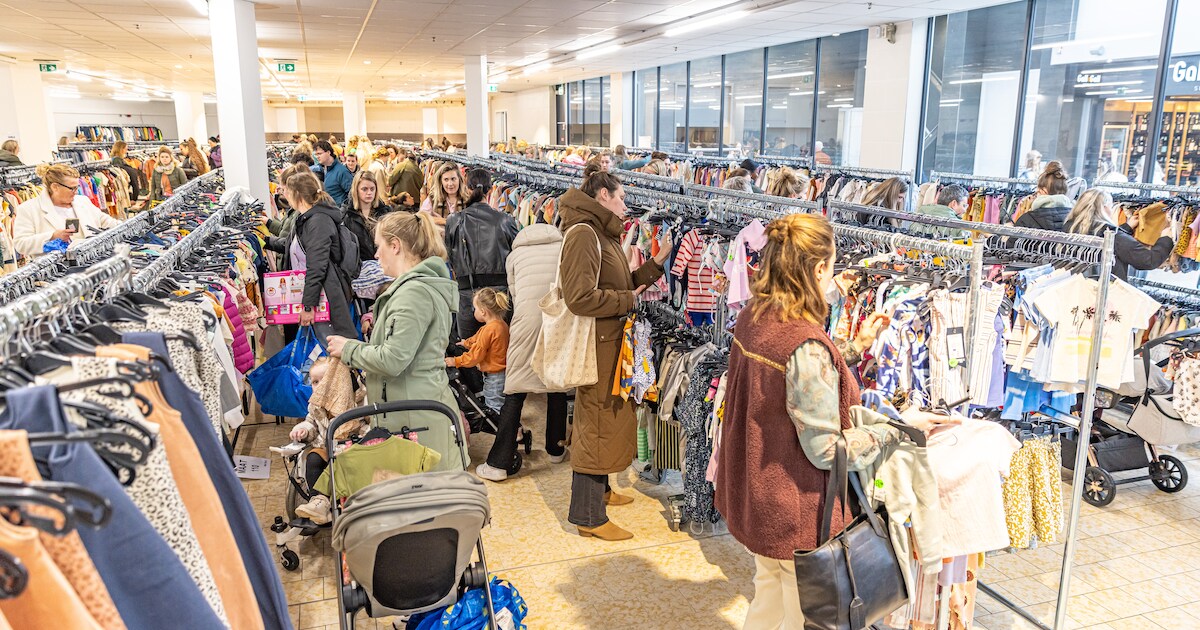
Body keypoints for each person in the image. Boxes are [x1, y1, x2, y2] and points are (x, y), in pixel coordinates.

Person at [715, 213, 957, 628]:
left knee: (769, 596)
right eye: (833, 265)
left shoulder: (755, 314)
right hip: (793, 504)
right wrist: (889, 431)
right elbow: (827, 449)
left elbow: (787, 384)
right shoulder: (803, 342)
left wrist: (849, 347)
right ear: (817, 268)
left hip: (755, 489)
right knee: (798, 611)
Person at [559, 164, 673, 541]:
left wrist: (655, 265)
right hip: (596, 347)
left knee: (606, 420)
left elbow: (620, 283)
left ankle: (602, 493)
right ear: (603, 197)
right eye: (621, 197)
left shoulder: (602, 233)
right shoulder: (583, 234)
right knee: (595, 422)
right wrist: (628, 300)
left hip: (610, 345)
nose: (626, 204)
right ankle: (588, 516)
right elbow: (579, 299)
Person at [326, 212, 464, 471]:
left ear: (396, 245)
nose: (376, 254)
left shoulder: (413, 293)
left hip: (417, 419)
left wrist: (350, 349)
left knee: (422, 502)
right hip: (414, 413)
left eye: (379, 246)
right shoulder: (413, 289)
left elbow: (394, 358)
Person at [480, 222, 572, 482]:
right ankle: (556, 449)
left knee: (515, 389)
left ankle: (498, 463)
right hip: (557, 318)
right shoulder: (563, 247)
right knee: (556, 384)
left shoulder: (515, 255)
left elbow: (515, 293)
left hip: (525, 321)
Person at [444, 168, 520, 340]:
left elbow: (450, 255)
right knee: (501, 351)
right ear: (491, 189)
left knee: (468, 351)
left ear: (467, 189)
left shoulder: (454, 220)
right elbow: (517, 256)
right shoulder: (505, 220)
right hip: (499, 296)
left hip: (467, 294)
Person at [283, 170, 358, 339]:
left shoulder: (318, 221)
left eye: (287, 191)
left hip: (324, 298)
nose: (285, 195)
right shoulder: (308, 219)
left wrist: (309, 306)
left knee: (329, 348)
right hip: (318, 295)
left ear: (297, 195)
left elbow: (317, 266)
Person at [13, 163, 121, 257]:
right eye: (72, 188)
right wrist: (52, 236)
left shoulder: (83, 202)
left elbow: (107, 222)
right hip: (55, 273)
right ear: (55, 187)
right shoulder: (28, 209)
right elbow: (20, 244)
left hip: (92, 265)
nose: (76, 191)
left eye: (77, 187)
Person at [1065, 189, 1173, 280]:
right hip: (1104, 294)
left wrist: (1127, 227)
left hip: (1074, 288)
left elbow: (1099, 236)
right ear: (1105, 208)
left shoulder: (1069, 227)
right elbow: (1147, 260)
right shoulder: (1113, 235)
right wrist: (1165, 238)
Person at [447, 287, 511, 415]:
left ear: (483, 312)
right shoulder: (500, 324)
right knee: (500, 401)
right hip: (502, 373)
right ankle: (512, 428)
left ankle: (505, 430)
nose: (474, 312)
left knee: (494, 405)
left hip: (494, 376)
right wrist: (466, 342)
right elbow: (479, 338)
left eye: (475, 309)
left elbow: (475, 356)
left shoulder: (489, 330)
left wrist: (456, 361)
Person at [342, 170, 392, 263]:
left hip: (383, 264)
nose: (369, 193)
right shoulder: (346, 215)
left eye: (372, 189)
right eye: (364, 189)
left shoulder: (385, 212)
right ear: (356, 189)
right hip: (358, 267)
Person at [1014, 161, 1073, 231]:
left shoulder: (1027, 220)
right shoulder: (1073, 219)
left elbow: (1012, 241)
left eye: (1037, 192)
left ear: (1043, 191)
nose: (1035, 195)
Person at [311, 140, 353, 206]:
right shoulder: (321, 170)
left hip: (339, 212)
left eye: (319, 153)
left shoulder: (342, 171)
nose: (317, 157)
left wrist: (343, 210)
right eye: (316, 154)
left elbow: (352, 195)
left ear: (328, 152)